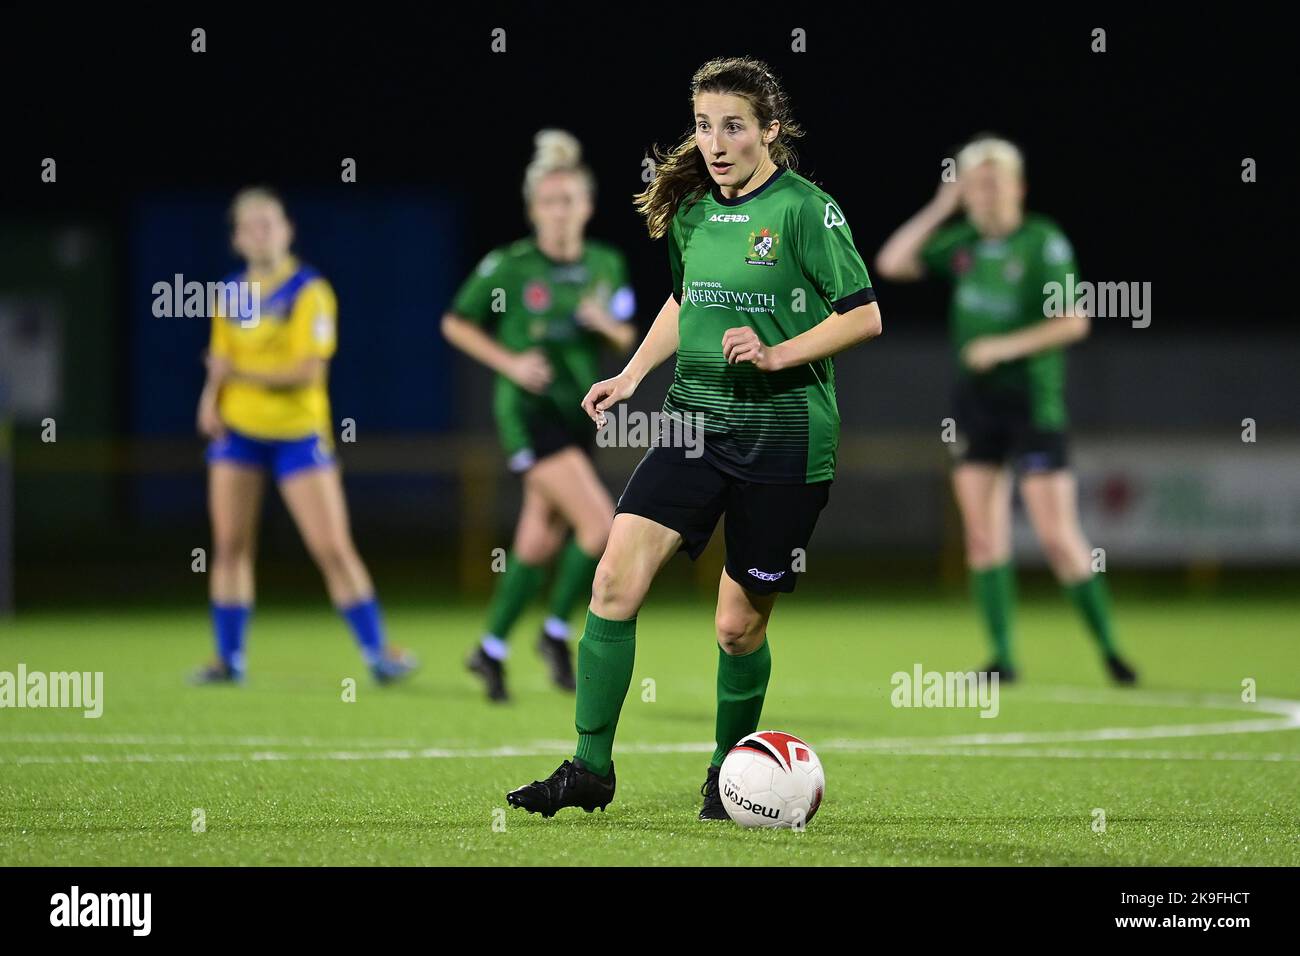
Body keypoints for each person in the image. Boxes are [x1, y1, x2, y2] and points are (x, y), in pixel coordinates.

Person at [506, 57, 881, 819]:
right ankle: (591, 767)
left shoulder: (808, 211)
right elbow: (686, 299)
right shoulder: (693, 213)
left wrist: (779, 351)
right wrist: (634, 373)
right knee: (612, 580)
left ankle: (726, 771)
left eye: (733, 126)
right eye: (705, 125)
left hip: (785, 442)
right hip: (695, 423)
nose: (714, 141)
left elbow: (864, 314)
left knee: (737, 627)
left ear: (770, 131)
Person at [875, 135, 1137, 685]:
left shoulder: (1043, 242)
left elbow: (1073, 321)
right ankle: (1002, 660)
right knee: (982, 537)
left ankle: (1111, 651)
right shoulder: (964, 243)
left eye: (995, 181)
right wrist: (943, 206)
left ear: (1018, 186)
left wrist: (1002, 347)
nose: (986, 193)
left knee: (1058, 536)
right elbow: (892, 262)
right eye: (975, 184)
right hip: (975, 406)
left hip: (1032, 405)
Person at [442, 130, 637, 701]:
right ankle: (555, 631)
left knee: (537, 538)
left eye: (569, 200)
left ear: (587, 206)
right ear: (533, 209)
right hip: (528, 414)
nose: (559, 211)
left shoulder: (606, 262)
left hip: (580, 413)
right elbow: (455, 322)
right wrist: (510, 362)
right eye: (549, 202)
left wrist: (604, 324)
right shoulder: (510, 265)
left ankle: (491, 649)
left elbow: (628, 330)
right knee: (600, 526)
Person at [194, 187, 416, 684]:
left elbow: (307, 371)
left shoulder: (309, 290)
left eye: (269, 222)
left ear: (288, 229)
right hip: (237, 433)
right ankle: (229, 660)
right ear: (236, 237)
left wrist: (236, 374)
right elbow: (218, 362)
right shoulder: (228, 292)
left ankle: (379, 654)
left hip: (299, 435)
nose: (261, 232)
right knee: (229, 546)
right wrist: (209, 401)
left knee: (332, 548)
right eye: (250, 225)